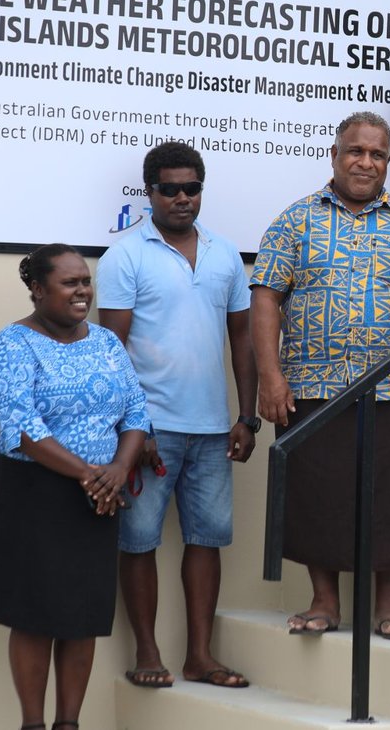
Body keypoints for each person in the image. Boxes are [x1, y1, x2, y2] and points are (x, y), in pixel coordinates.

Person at [251, 112, 390, 641]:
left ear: (388, 162)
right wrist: (270, 377)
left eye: (377, 154)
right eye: (356, 152)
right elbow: (266, 297)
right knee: (319, 494)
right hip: (312, 387)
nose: (366, 162)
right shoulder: (295, 220)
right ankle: (324, 601)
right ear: (335, 156)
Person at [97, 141, 257, 690]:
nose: (182, 198)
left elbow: (242, 339)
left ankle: (200, 657)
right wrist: (131, 428)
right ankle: (147, 653)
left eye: (192, 188)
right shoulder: (126, 256)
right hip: (149, 430)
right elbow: (111, 351)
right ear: (151, 192)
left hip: (213, 430)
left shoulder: (224, 254)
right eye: (170, 189)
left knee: (207, 540)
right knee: (138, 540)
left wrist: (248, 417)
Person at [0, 244, 150, 730]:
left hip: (101, 496)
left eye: (86, 282)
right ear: (37, 289)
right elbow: (22, 428)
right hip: (35, 494)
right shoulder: (12, 344)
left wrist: (119, 468)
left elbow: (136, 410)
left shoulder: (106, 342)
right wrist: (91, 475)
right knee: (35, 614)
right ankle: (33, 724)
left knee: (82, 615)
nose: (82, 292)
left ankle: (68, 724)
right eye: (69, 283)